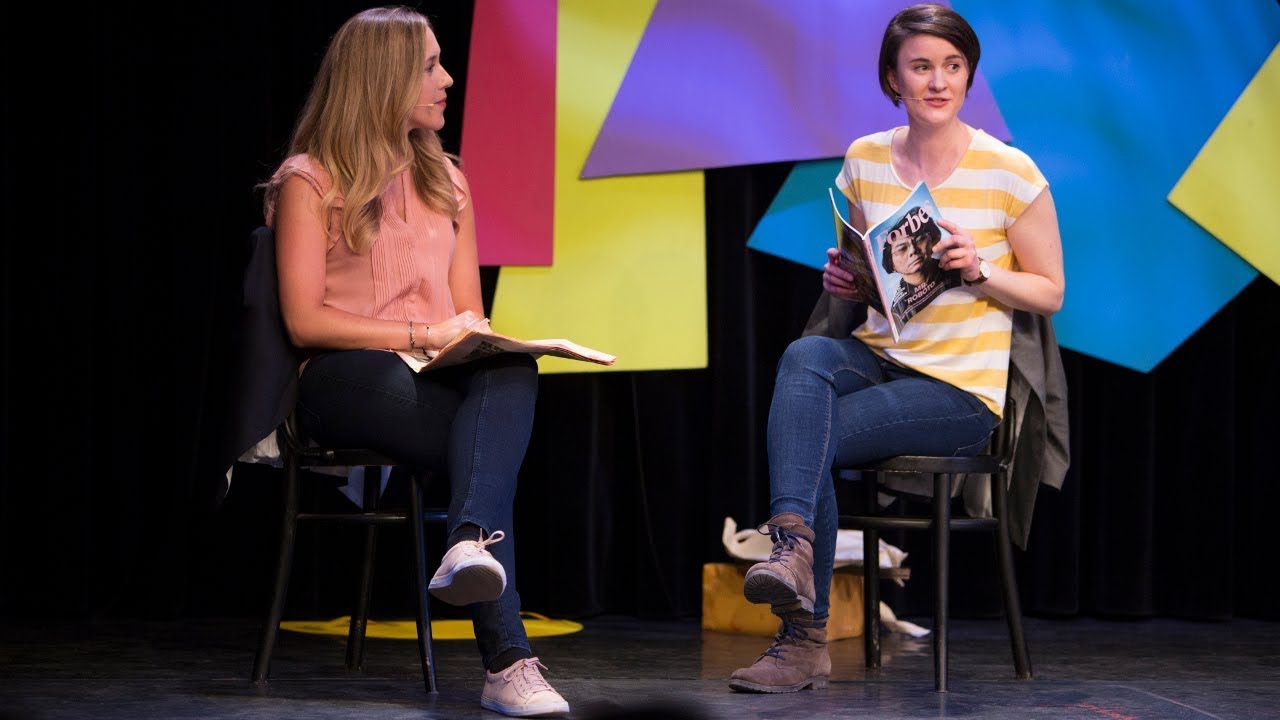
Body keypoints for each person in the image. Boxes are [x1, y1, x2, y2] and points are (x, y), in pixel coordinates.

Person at [729, 2, 1064, 693]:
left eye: (952, 66)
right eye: (921, 67)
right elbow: (862, 289)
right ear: (893, 79)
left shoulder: (1009, 171)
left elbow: (1051, 292)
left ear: (968, 75)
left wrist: (982, 269)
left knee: (806, 434)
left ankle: (802, 637)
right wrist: (844, 278)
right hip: (881, 355)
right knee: (804, 357)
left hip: (960, 390)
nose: (938, 81)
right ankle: (794, 550)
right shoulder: (865, 159)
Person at [261, 7, 569, 716]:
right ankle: (508, 662)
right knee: (483, 456)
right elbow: (306, 319)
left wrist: (470, 339)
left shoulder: (450, 182)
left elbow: (468, 318)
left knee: (512, 371)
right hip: (342, 379)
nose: (448, 78)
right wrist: (424, 331)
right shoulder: (310, 179)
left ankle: (468, 551)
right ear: (383, 76)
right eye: (430, 65)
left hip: (427, 373)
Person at [882, 207, 956, 325]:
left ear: (931, 240)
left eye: (920, 240)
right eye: (902, 249)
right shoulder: (898, 307)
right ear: (892, 265)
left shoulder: (954, 268)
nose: (913, 250)